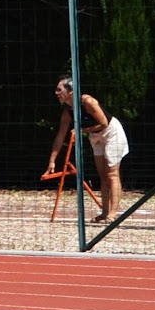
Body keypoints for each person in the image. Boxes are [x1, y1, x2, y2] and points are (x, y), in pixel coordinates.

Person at [45, 76, 128, 222]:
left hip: (111, 132)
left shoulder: (88, 102)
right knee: (102, 176)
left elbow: (103, 123)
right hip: (95, 136)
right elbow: (60, 136)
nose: (56, 93)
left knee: (112, 174)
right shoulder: (68, 112)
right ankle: (105, 212)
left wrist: (82, 130)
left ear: (70, 92)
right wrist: (52, 160)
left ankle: (112, 215)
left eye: (59, 90)